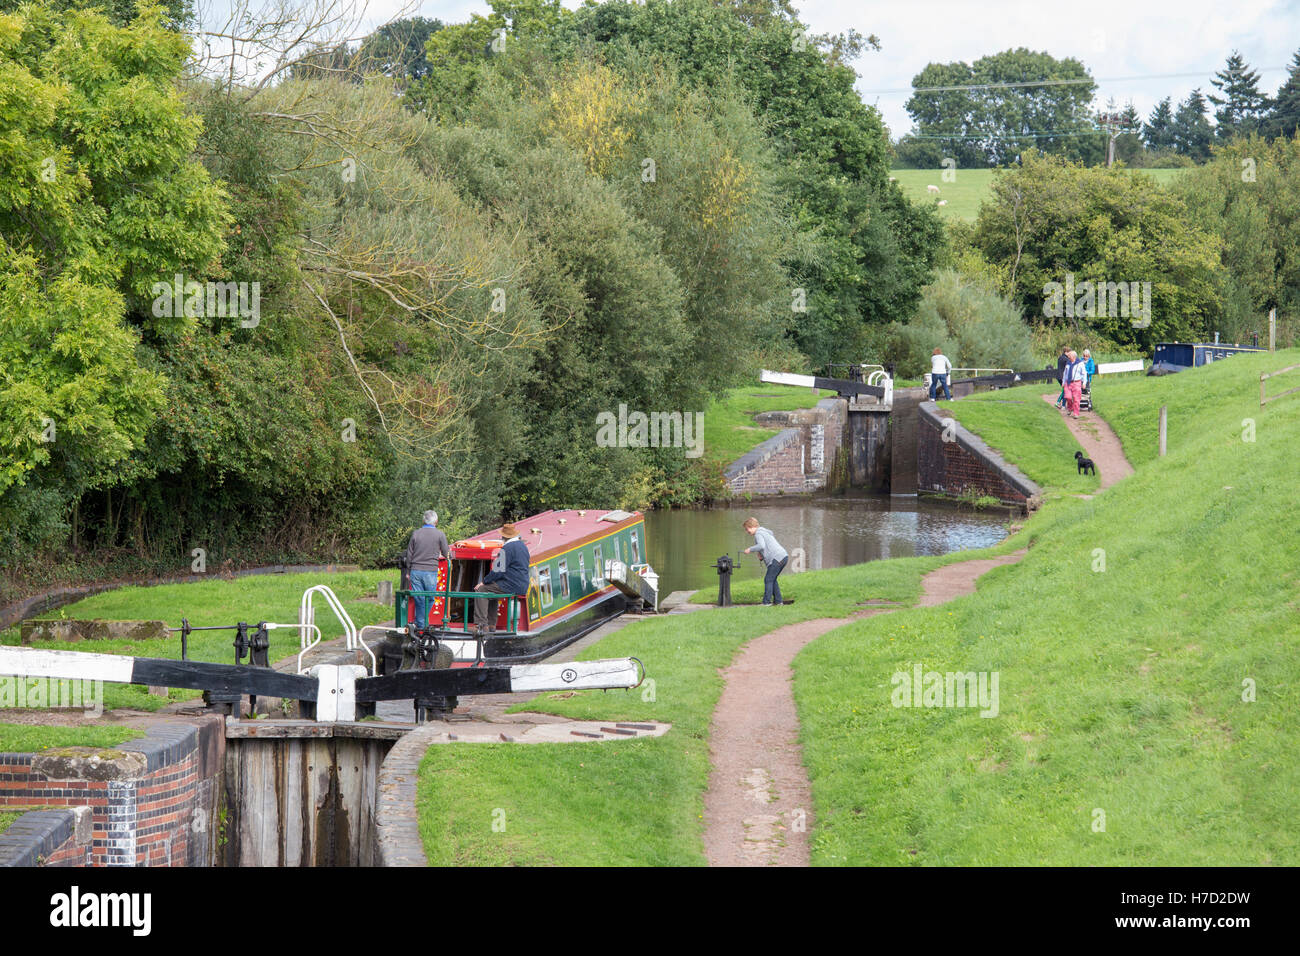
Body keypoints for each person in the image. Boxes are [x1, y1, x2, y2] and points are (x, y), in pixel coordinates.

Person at [474, 523, 530, 634]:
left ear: (504, 537)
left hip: (511, 584)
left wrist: (483, 582)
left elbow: (498, 570)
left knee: (482, 590)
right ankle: (491, 624)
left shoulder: (507, 548)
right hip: (522, 584)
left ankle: (481, 625)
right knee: (492, 590)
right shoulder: (523, 546)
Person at [405, 510, 449, 630]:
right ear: (436, 521)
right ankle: (422, 624)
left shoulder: (416, 533)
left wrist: (408, 572)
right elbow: (447, 553)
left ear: (423, 520)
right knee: (430, 598)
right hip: (431, 570)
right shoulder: (440, 534)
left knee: (419, 599)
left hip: (415, 571)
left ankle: (420, 624)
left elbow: (409, 554)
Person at [743, 517, 789, 607]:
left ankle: (766, 602)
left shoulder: (758, 534)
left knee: (768, 579)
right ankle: (778, 602)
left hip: (777, 558)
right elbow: (765, 546)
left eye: (747, 529)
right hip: (783, 556)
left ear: (751, 526)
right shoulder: (764, 532)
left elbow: (761, 545)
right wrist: (761, 555)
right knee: (772, 579)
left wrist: (750, 549)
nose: (747, 531)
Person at [1064, 349, 1087, 419]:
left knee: (1076, 399)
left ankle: (1076, 413)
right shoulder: (1068, 363)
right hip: (1068, 383)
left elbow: (1084, 373)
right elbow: (1065, 373)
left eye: (1069, 355)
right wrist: (1063, 382)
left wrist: (1084, 383)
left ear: (1073, 356)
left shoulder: (1080, 363)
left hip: (1076, 382)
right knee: (1068, 397)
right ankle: (1070, 407)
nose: (1068, 356)